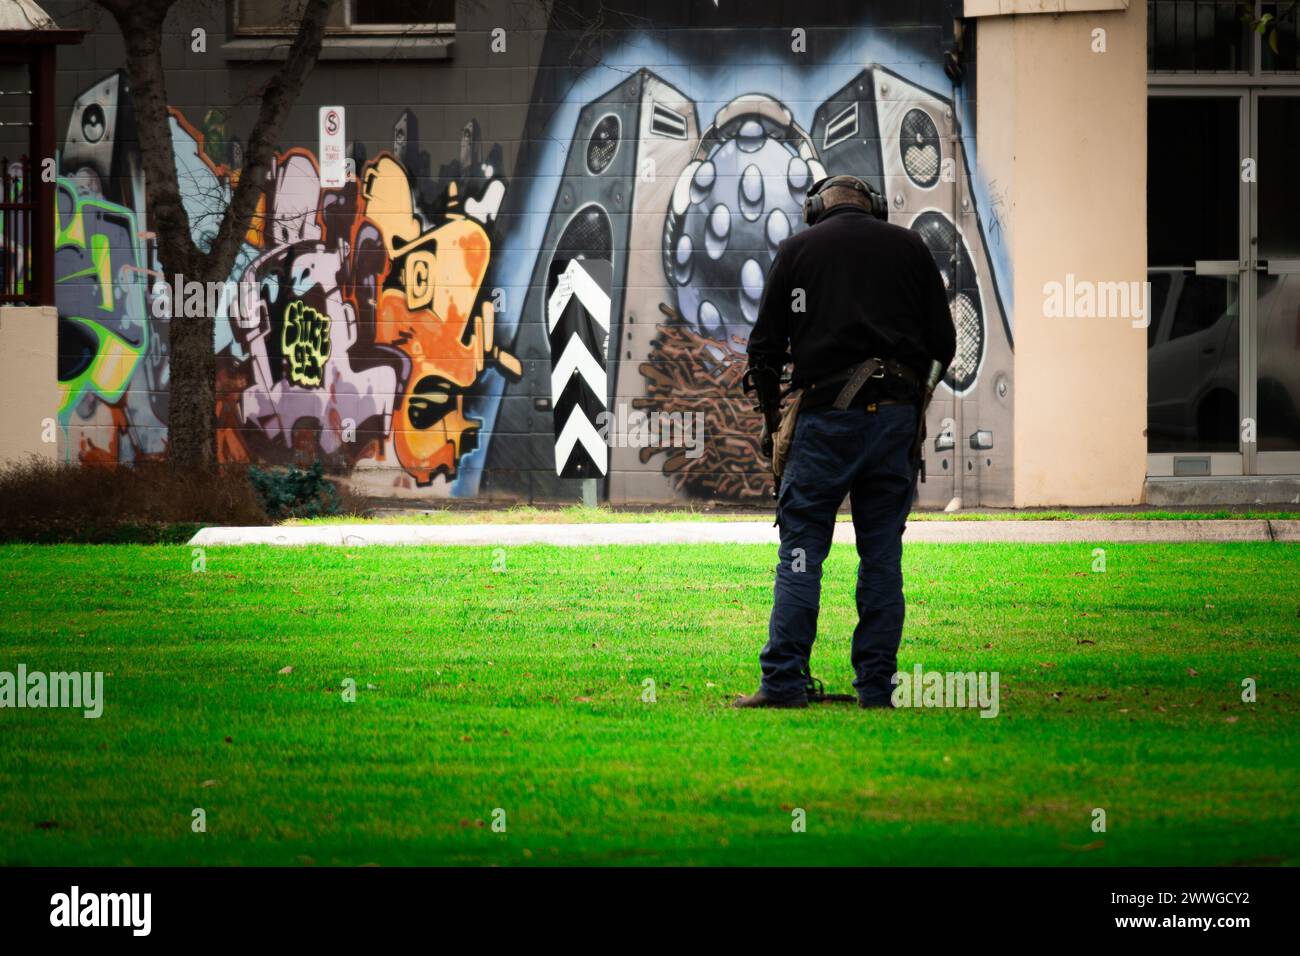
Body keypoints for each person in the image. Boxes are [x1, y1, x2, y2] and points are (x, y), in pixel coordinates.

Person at [735, 175, 956, 709]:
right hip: (894, 422)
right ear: (875, 207)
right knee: (881, 556)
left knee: (801, 553)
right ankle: (876, 688)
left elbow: (763, 351)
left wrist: (770, 423)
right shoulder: (909, 247)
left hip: (825, 423)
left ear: (815, 209)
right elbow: (944, 344)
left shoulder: (796, 251)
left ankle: (785, 682)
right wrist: (914, 404)